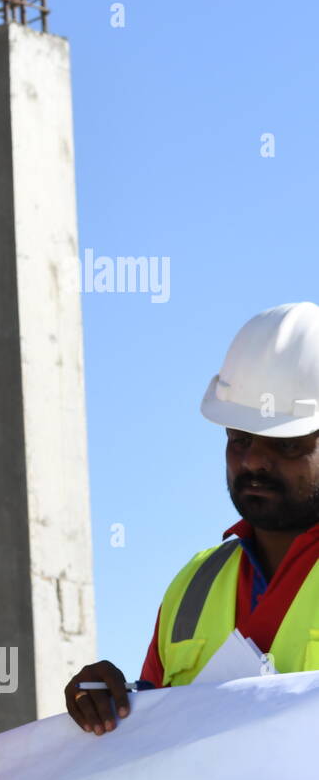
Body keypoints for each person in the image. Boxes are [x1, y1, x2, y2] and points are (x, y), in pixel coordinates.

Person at [67, 303, 319, 735]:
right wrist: (109, 703)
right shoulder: (193, 587)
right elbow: (162, 750)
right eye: (239, 438)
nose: (254, 459)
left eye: (286, 443)